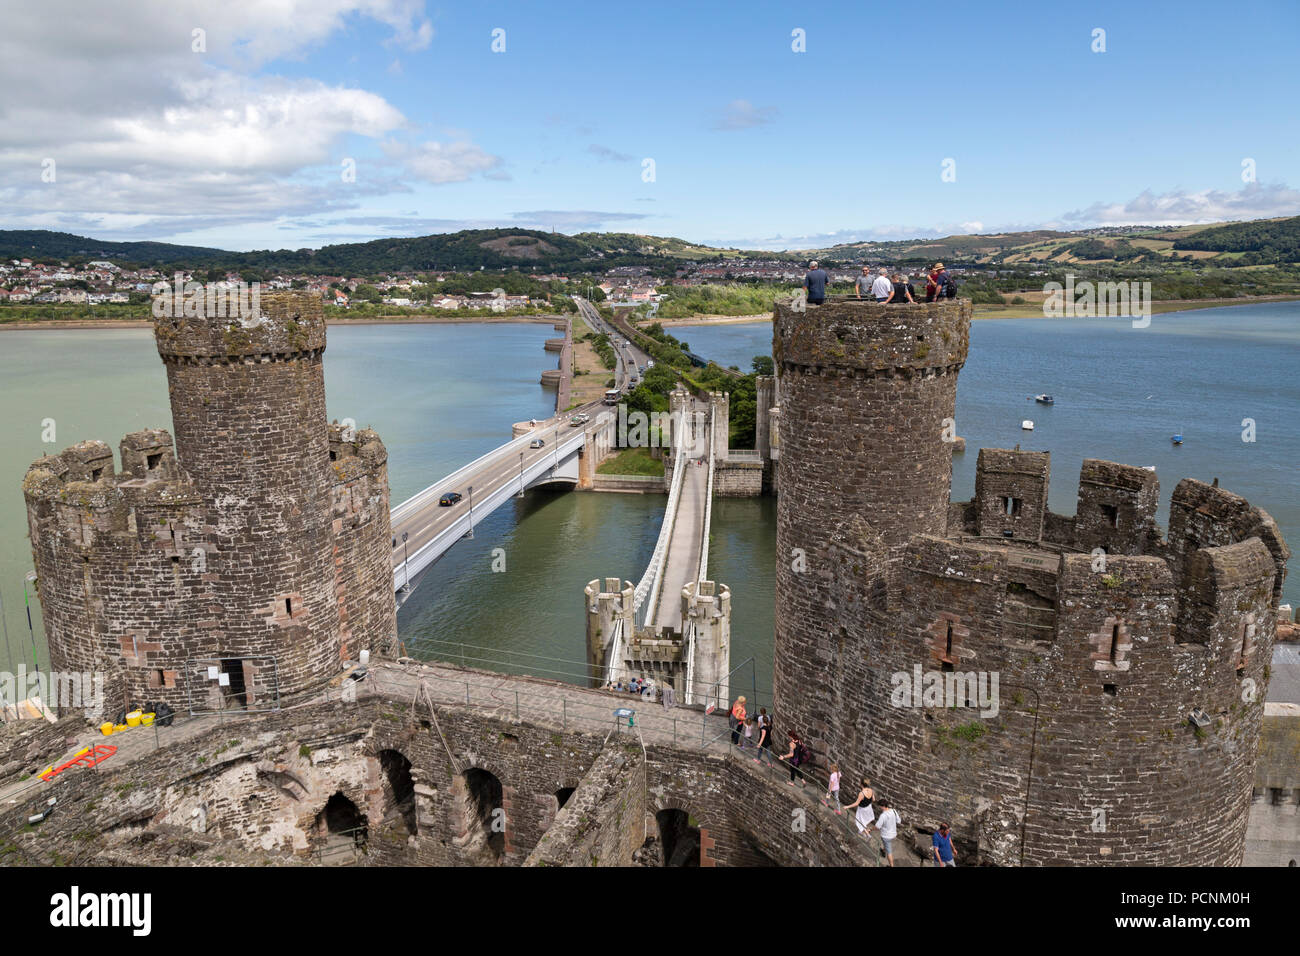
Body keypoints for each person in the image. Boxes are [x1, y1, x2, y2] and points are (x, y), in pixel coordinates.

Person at [870, 800, 901, 866]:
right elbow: (899, 821)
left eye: (880, 807)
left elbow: (877, 827)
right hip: (893, 834)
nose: (879, 808)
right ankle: (883, 850)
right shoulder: (894, 811)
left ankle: (891, 865)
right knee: (886, 844)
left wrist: (870, 829)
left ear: (883, 806)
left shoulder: (883, 815)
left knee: (889, 852)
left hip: (886, 836)